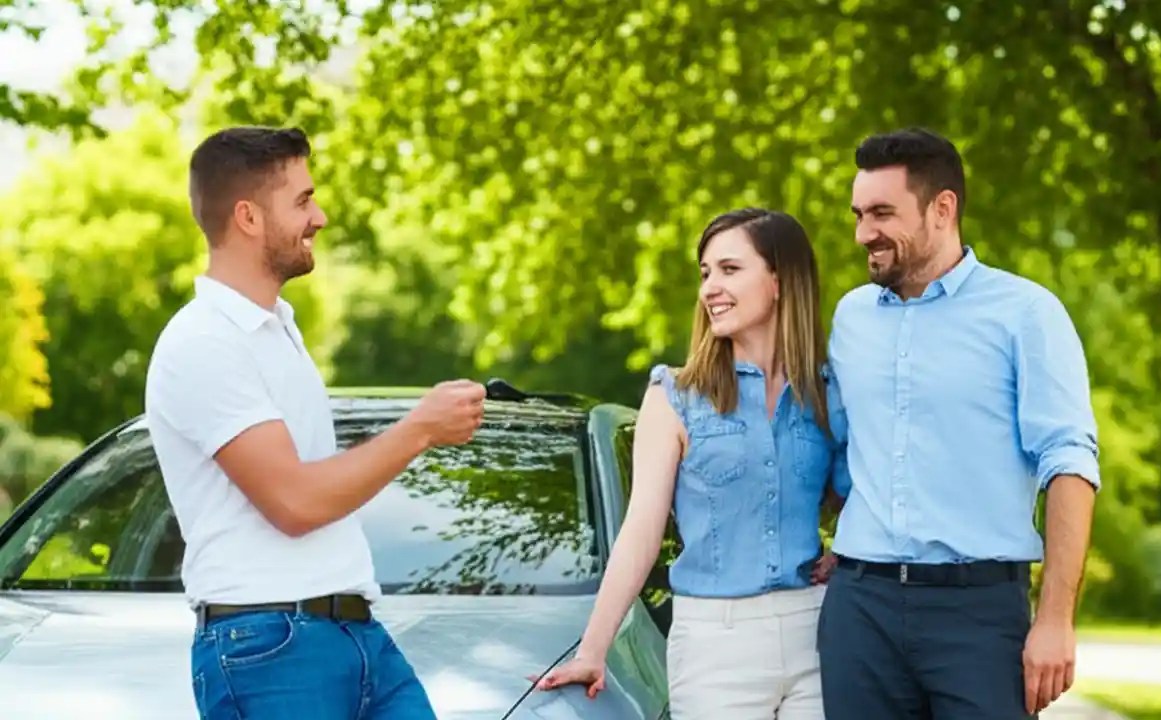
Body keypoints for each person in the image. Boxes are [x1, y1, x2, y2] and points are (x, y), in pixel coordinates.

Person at [144, 126, 486, 719]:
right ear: (248, 218)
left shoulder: (276, 329)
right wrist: (420, 429)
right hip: (271, 649)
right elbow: (295, 503)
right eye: (303, 201)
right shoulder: (203, 342)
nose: (320, 216)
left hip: (355, 636)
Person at [818, 126, 1101, 718]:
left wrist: (1055, 619)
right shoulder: (850, 317)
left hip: (979, 614)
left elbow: (1070, 463)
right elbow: (838, 450)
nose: (862, 233)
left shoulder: (1026, 314)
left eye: (881, 213)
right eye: (858, 213)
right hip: (859, 610)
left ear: (942, 209)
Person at [533, 208, 849, 718]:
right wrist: (593, 650)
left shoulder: (827, 391)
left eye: (729, 269)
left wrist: (848, 549)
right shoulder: (676, 396)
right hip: (715, 645)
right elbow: (641, 529)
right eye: (705, 274)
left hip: (816, 631)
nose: (710, 289)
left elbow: (859, 491)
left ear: (779, 280)